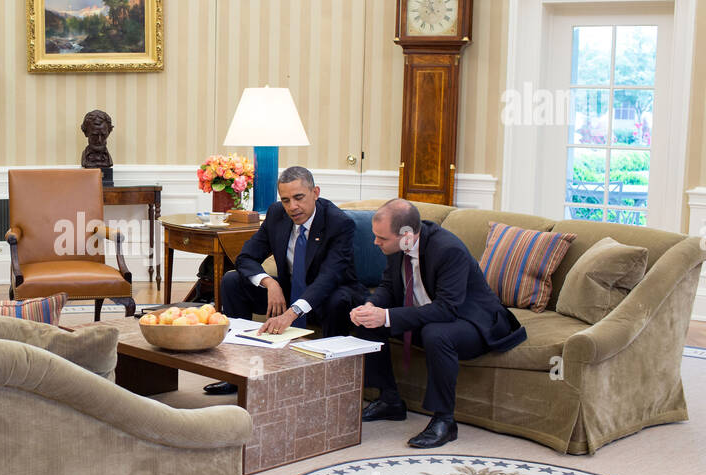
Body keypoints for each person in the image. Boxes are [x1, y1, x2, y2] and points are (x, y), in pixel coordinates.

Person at [349, 198, 526, 448]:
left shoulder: (447, 249)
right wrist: (372, 307)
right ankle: (389, 400)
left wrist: (387, 316)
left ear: (407, 235)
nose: (375, 242)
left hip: (472, 321)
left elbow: (447, 308)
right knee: (369, 321)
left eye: (382, 238)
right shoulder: (396, 248)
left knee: (436, 333)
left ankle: (444, 421)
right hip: (430, 314)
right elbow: (388, 286)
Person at [204, 166, 361, 395]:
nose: (292, 207)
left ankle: (328, 384)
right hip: (287, 291)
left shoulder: (338, 223)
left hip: (326, 296)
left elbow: (329, 278)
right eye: (286, 200)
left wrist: (292, 313)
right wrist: (270, 283)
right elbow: (246, 256)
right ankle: (237, 373)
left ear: (315, 192)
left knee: (338, 299)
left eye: (299, 198)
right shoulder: (277, 214)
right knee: (232, 281)